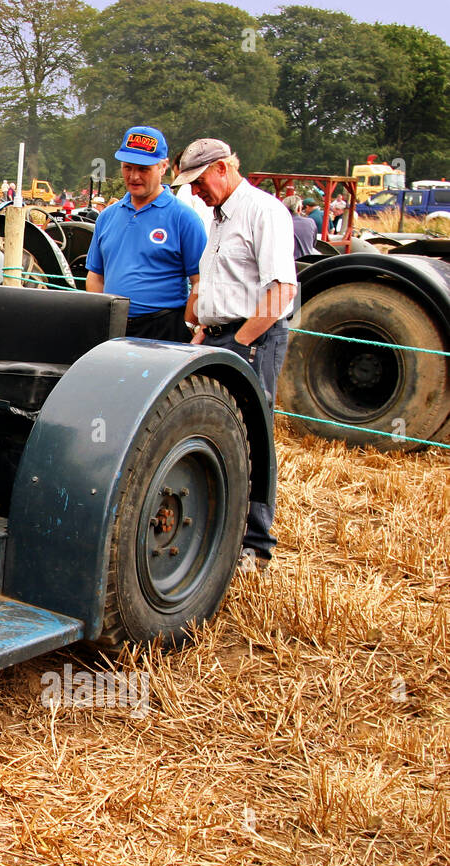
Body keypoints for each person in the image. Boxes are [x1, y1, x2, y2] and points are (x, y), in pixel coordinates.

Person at [172, 137, 296, 573]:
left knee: (253, 436)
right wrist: (202, 329)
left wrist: (242, 342)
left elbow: (281, 290)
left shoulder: (264, 211)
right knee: (220, 430)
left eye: (200, 180)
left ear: (223, 168)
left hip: (254, 339)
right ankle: (222, 532)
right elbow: (213, 281)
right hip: (218, 336)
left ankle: (257, 544)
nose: (196, 191)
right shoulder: (217, 217)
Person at [84, 126, 206, 343]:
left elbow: (200, 281)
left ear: (163, 167)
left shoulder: (183, 218)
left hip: (163, 328)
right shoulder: (107, 216)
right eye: (127, 168)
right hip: (114, 326)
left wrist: (187, 325)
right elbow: (96, 275)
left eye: (143, 169)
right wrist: (101, 317)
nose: (134, 176)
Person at [283, 194, 316, 259]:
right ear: (299, 208)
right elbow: (313, 244)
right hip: (307, 263)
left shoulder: (281, 223)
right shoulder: (310, 222)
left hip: (288, 262)